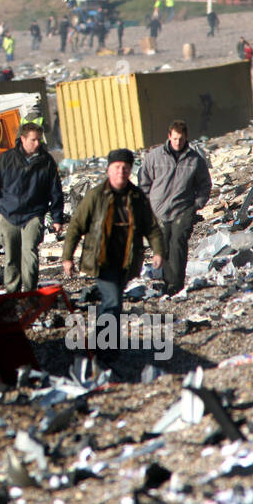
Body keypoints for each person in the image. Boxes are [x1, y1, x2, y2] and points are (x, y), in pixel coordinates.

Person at [62, 148, 164, 368]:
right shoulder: (96, 196)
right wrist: (67, 257)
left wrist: (158, 251)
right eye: (117, 167)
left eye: (125, 168)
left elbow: (151, 226)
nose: (121, 172)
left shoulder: (136, 197)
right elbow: (76, 227)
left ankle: (95, 343)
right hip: (102, 259)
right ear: (109, 170)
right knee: (113, 302)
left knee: (111, 304)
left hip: (126, 261)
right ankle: (107, 351)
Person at [0, 122, 65, 294]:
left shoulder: (46, 161)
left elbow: (55, 190)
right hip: (8, 214)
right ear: (22, 139)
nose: (37, 143)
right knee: (11, 256)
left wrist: (57, 218)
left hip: (34, 214)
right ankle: (12, 293)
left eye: (39, 140)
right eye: (33, 140)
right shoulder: (6, 159)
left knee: (30, 252)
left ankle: (30, 292)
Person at [139, 121, 212, 296]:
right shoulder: (154, 157)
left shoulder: (195, 160)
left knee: (178, 244)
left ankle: (176, 285)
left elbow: (205, 184)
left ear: (186, 138)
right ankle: (167, 282)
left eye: (180, 139)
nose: (177, 142)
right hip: (159, 210)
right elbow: (144, 180)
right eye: (174, 138)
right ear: (169, 137)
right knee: (163, 247)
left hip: (183, 210)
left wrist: (197, 204)